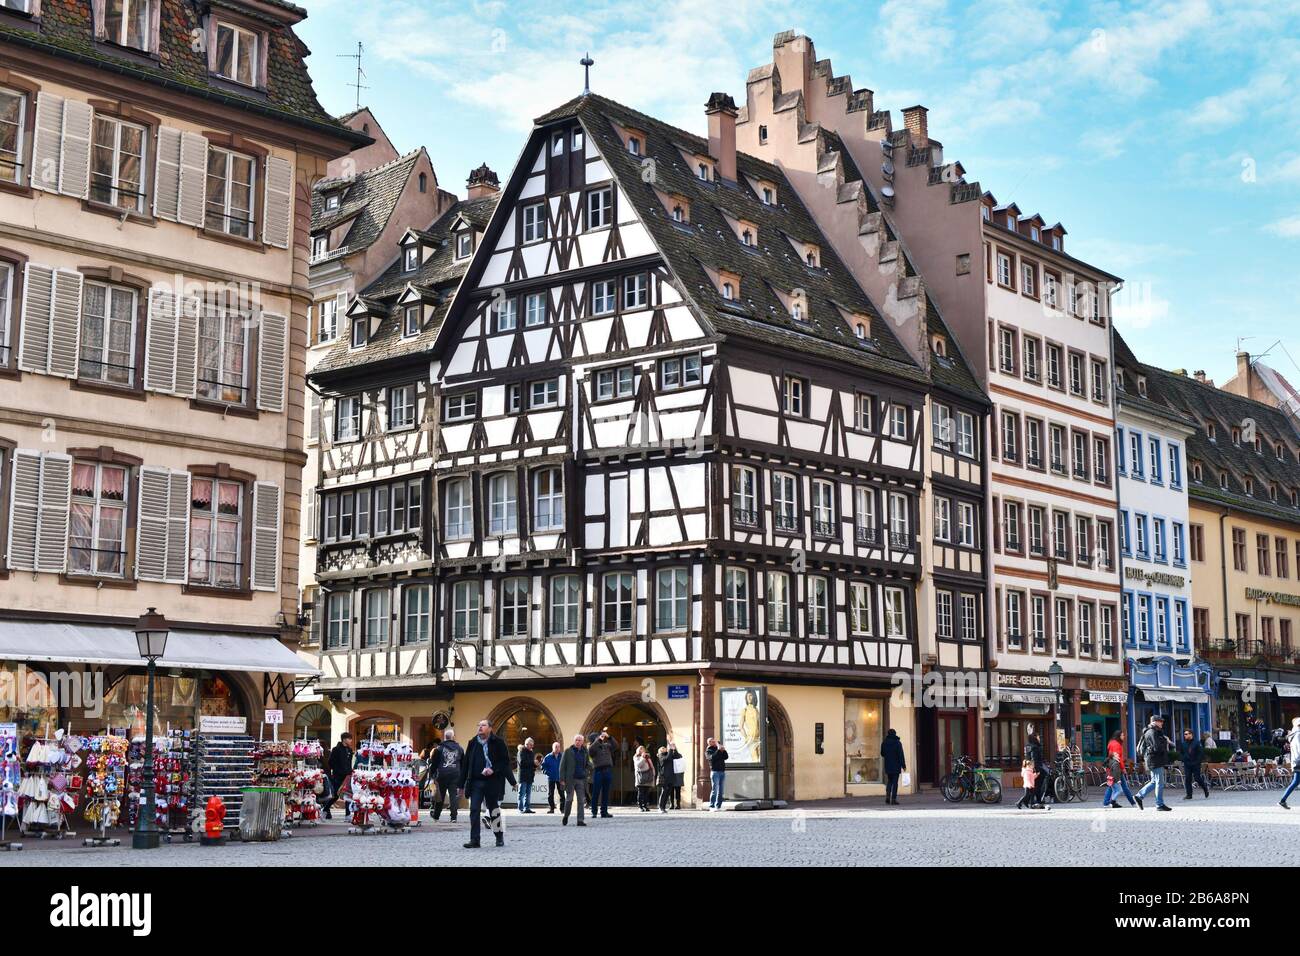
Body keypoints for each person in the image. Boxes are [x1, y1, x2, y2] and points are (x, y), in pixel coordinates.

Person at [459, 719, 516, 848]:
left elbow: (504, 762)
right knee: (474, 809)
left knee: (493, 810)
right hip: (476, 782)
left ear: (490, 728)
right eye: (478, 725)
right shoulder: (473, 743)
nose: (480, 727)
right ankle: (475, 840)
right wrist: (460, 785)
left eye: (483, 725)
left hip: (492, 781)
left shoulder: (498, 743)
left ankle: (499, 836)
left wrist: (494, 770)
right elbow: (466, 764)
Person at [1133, 715, 1173, 811]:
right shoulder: (1152, 732)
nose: (1162, 723)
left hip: (1153, 759)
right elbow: (1157, 747)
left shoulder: (1154, 732)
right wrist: (1165, 742)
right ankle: (1159, 804)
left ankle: (1139, 796)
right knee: (1160, 782)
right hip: (1155, 760)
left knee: (1154, 782)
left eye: (1162, 721)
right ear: (1154, 722)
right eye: (1160, 721)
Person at [430, 729, 464, 822]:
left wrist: (432, 774)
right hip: (455, 774)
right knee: (453, 795)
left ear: (445, 737)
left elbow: (434, 763)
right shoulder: (459, 748)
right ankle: (454, 817)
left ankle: (436, 816)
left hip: (443, 774)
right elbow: (463, 763)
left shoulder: (439, 748)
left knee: (440, 795)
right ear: (453, 737)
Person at [559, 733, 590, 826]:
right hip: (570, 779)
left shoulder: (585, 751)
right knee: (569, 799)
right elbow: (562, 766)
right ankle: (566, 816)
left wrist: (588, 769)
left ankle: (580, 820)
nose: (578, 742)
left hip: (581, 779)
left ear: (582, 742)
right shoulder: (568, 751)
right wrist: (562, 779)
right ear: (574, 741)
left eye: (579, 740)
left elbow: (588, 762)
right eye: (576, 740)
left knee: (581, 800)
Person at [321, 732, 353, 819]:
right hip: (338, 776)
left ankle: (348, 814)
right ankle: (325, 809)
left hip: (348, 776)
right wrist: (338, 770)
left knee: (348, 794)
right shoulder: (336, 749)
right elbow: (330, 762)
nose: (351, 740)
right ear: (344, 739)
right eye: (349, 738)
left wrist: (350, 771)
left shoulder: (349, 750)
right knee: (336, 795)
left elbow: (349, 763)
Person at [1101, 730, 1136, 808]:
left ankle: (1107, 802)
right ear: (1118, 736)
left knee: (1111, 786)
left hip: (1111, 767)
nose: (1124, 737)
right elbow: (1118, 758)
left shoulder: (1111, 743)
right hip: (1117, 769)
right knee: (1123, 787)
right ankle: (1132, 802)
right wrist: (1123, 768)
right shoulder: (1117, 745)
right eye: (1122, 735)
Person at [587, 727, 617, 818]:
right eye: (596, 738)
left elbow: (615, 746)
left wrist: (610, 737)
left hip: (607, 770)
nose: (600, 738)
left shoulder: (606, 746)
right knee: (596, 792)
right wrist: (598, 740)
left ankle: (604, 812)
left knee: (606, 792)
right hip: (598, 771)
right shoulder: (592, 748)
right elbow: (591, 750)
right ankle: (594, 812)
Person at [1177, 728, 1210, 800]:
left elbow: (1201, 753)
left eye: (1186, 734)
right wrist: (1183, 759)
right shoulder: (1183, 744)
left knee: (1197, 778)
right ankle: (1189, 795)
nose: (1185, 735)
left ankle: (1205, 789)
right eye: (1184, 734)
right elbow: (1181, 753)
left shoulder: (1197, 743)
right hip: (1187, 764)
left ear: (1191, 734)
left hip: (1195, 763)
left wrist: (1197, 761)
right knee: (1187, 778)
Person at [880, 728, 905, 805]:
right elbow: (901, 755)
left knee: (889, 781)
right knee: (895, 783)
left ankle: (887, 796)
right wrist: (903, 765)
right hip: (896, 765)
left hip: (888, 765)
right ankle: (893, 799)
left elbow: (882, 754)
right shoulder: (897, 743)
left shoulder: (884, 742)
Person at [1023, 726, 1047, 808]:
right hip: (1036, 768)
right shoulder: (1035, 747)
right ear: (1035, 738)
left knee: (1033, 786)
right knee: (1038, 786)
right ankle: (1034, 801)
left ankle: (1034, 801)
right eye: (1038, 737)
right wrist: (1036, 770)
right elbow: (1034, 759)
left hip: (1028, 768)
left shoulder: (1028, 746)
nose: (1039, 738)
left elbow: (1027, 757)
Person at [1280, 717, 1300, 809]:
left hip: (1296, 761)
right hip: (1299, 760)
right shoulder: (1298, 735)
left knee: (1295, 782)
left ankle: (1282, 800)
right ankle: (1282, 800)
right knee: (1295, 782)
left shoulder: (1294, 735)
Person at [515, 737, 537, 814]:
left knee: (528, 793)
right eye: (531, 745)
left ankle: (527, 807)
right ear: (526, 744)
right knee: (522, 793)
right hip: (523, 776)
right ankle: (520, 808)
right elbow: (522, 763)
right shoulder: (521, 752)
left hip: (530, 776)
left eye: (532, 745)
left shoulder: (531, 752)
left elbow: (531, 765)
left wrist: (535, 765)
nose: (532, 747)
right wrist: (532, 762)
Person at [705, 737, 728, 810]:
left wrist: (723, 750)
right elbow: (712, 757)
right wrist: (718, 750)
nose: (714, 742)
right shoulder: (708, 751)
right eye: (711, 741)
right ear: (709, 743)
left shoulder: (719, 749)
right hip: (715, 772)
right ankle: (712, 806)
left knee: (721, 791)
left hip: (722, 772)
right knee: (715, 790)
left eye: (714, 741)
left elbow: (726, 757)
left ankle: (718, 806)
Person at [542, 742, 563, 814]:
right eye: (556, 747)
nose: (557, 748)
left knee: (562, 794)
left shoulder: (563, 756)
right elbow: (543, 767)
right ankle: (551, 808)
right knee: (550, 794)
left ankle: (562, 809)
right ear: (553, 748)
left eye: (558, 747)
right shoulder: (548, 757)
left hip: (560, 778)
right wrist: (548, 773)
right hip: (551, 778)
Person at [633, 745, 655, 811]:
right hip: (641, 777)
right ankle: (640, 806)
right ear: (638, 751)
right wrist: (643, 758)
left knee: (646, 792)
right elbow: (638, 765)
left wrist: (653, 773)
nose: (641, 750)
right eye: (640, 749)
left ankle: (645, 806)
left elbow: (651, 766)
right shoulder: (636, 757)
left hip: (648, 776)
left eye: (642, 749)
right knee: (641, 792)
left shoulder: (647, 757)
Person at [655, 746, 673, 813]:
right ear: (660, 751)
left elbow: (677, 756)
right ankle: (660, 807)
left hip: (670, 776)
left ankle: (664, 807)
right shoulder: (660, 756)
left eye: (664, 748)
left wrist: (674, 750)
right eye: (662, 748)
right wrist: (671, 749)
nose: (664, 748)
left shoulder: (669, 754)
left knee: (667, 792)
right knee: (664, 791)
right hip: (664, 777)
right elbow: (667, 758)